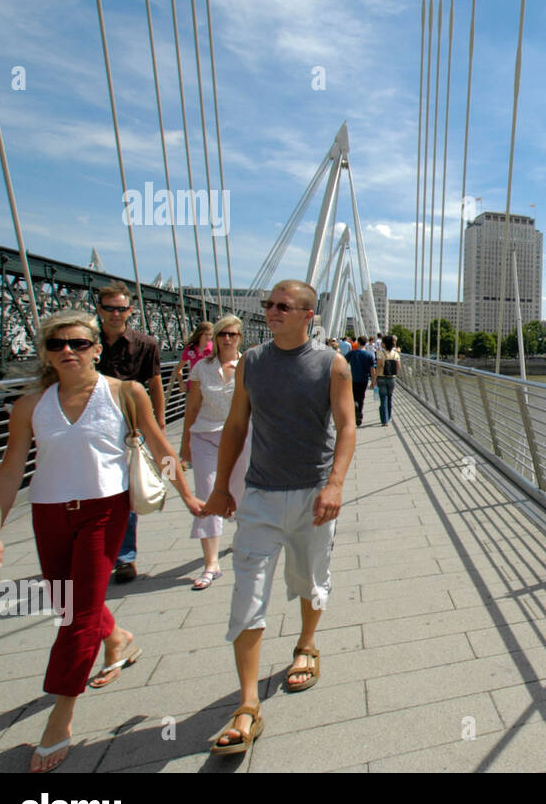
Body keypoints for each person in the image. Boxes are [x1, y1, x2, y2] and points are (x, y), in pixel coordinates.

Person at [0, 310, 202, 772]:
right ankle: (117, 637)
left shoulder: (124, 392)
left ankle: (60, 717)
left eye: (79, 343)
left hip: (104, 510)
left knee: (76, 618)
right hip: (49, 513)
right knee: (70, 605)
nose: (68, 351)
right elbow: (10, 469)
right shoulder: (30, 406)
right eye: (57, 344)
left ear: (97, 348)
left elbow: (161, 447)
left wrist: (190, 497)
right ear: (46, 352)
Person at [202, 280, 355, 755]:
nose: (271, 312)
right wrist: (220, 485)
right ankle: (248, 706)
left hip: (313, 495)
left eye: (283, 306)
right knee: (247, 595)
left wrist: (335, 485)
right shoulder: (251, 362)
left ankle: (307, 644)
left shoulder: (333, 365)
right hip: (261, 496)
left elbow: (347, 426)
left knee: (311, 579)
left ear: (308, 314)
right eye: (269, 305)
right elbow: (236, 424)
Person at [94, 283, 164, 584]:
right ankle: (94, 548)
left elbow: (155, 385)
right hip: (89, 424)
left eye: (121, 308)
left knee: (126, 490)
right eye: (109, 308)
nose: (115, 314)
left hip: (128, 428)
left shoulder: (145, 344)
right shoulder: (84, 341)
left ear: (130, 311)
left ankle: (124, 557)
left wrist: (159, 425)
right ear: (99, 309)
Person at [179, 314, 249, 590]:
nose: (227, 339)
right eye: (222, 334)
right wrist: (185, 443)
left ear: (240, 338)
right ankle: (211, 563)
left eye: (232, 334)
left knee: (239, 492)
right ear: (215, 338)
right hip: (204, 437)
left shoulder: (247, 366)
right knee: (207, 495)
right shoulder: (201, 368)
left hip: (239, 437)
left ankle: (242, 533)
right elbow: (193, 405)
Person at [169, 322, 214, 395]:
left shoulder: (214, 349)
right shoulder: (190, 349)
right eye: (205, 334)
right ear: (200, 334)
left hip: (209, 389)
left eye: (210, 335)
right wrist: (181, 383)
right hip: (193, 388)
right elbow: (178, 368)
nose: (208, 337)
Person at [372, 333, 402, 426]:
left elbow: (378, 367)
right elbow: (399, 367)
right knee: (390, 397)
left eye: (382, 342)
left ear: (385, 344)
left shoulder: (380, 354)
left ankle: (384, 420)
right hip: (391, 379)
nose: (381, 344)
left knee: (383, 398)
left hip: (381, 378)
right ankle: (389, 417)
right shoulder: (396, 354)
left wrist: (374, 379)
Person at [346, 335, 375, 427]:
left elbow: (343, 362)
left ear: (358, 342)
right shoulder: (370, 354)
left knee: (353, 397)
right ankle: (359, 414)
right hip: (364, 379)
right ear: (366, 343)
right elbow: (372, 369)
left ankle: (355, 410)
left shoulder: (352, 353)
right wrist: (373, 381)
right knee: (361, 397)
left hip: (353, 378)